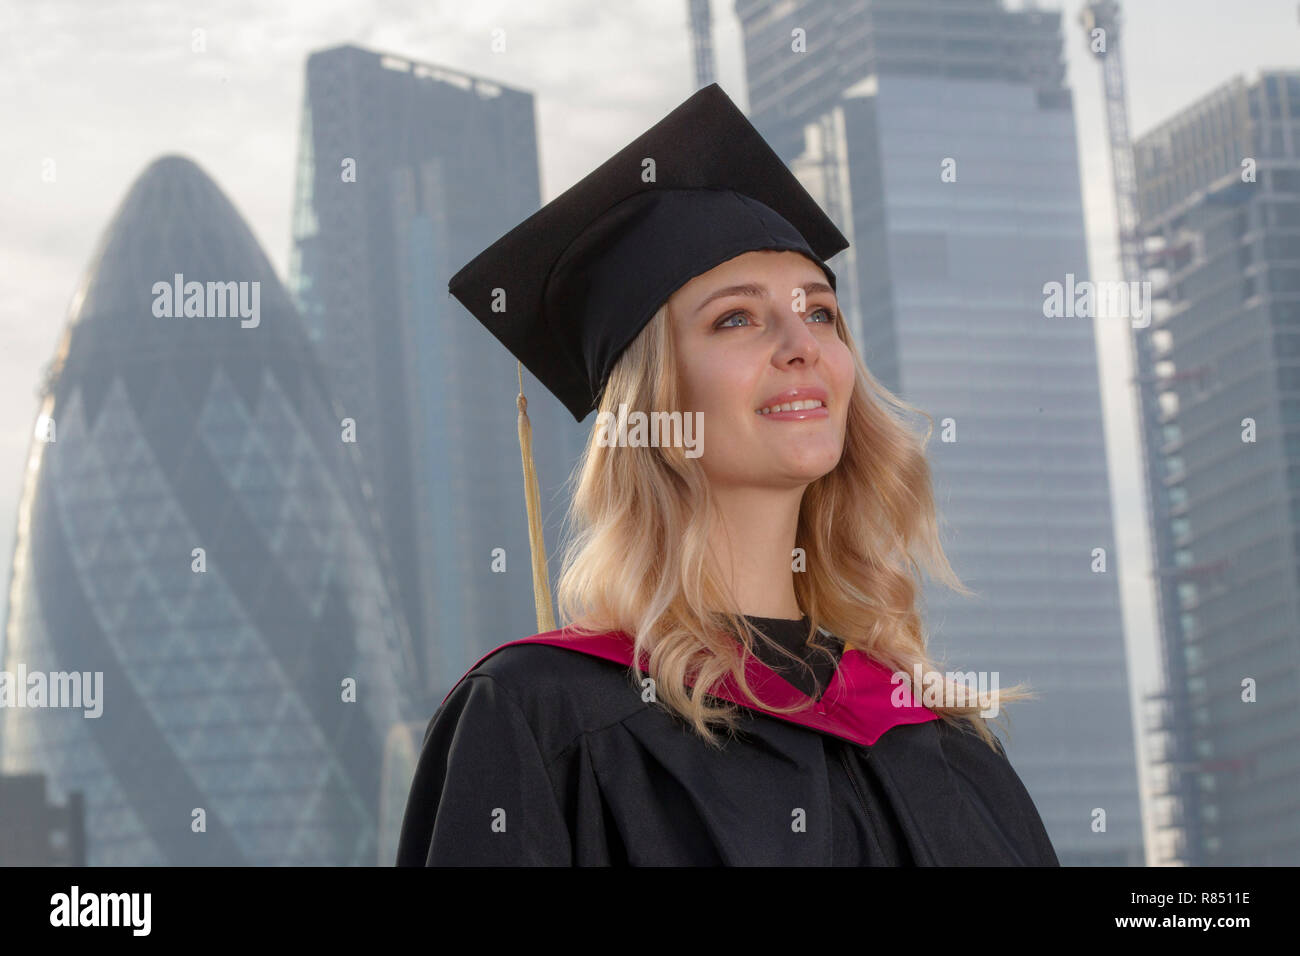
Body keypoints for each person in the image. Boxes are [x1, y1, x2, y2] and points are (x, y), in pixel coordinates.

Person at [395, 83, 1059, 866]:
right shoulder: (543, 719)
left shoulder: (946, 745)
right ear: (651, 401)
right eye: (736, 318)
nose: (800, 343)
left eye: (818, 311)